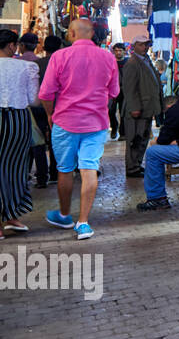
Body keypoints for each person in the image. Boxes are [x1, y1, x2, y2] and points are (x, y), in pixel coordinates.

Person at [37, 17, 119, 240]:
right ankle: (83, 223)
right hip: (96, 123)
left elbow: (45, 94)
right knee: (89, 168)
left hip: (65, 122)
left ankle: (64, 215)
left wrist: (50, 115)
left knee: (65, 170)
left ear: (71, 34)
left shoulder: (60, 56)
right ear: (92, 34)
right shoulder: (108, 58)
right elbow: (113, 93)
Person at [0, 30, 40, 238]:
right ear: (11, 46)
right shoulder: (27, 67)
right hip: (16, 120)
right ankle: (10, 215)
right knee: (13, 167)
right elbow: (34, 99)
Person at [120, 33, 163, 178]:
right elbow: (129, 88)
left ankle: (137, 165)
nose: (144, 47)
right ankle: (132, 168)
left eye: (146, 44)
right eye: (141, 44)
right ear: (134, 46)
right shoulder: (132, 63)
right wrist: (134, 107)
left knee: (142, 138)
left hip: (146, 108)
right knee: (134, 139)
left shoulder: (146, 60)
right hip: (137, 109)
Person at [17, 33, 53, 188]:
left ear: (21, 46)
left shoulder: (16, 62)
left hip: (23, 108)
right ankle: (42, 177)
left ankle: (24, 173)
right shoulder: (39, 63)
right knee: (38, 143)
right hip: (40, 106)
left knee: (23, 143)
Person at [107, 43, 127, 140]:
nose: (118, 52)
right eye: (116, 50)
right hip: (112, 90)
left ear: (124, 51)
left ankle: (122, 132)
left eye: (120, 50)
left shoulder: (128, 62)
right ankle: (114, 127)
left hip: (125, 90)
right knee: (111, 110)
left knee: (123, 112)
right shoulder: (110, 62)